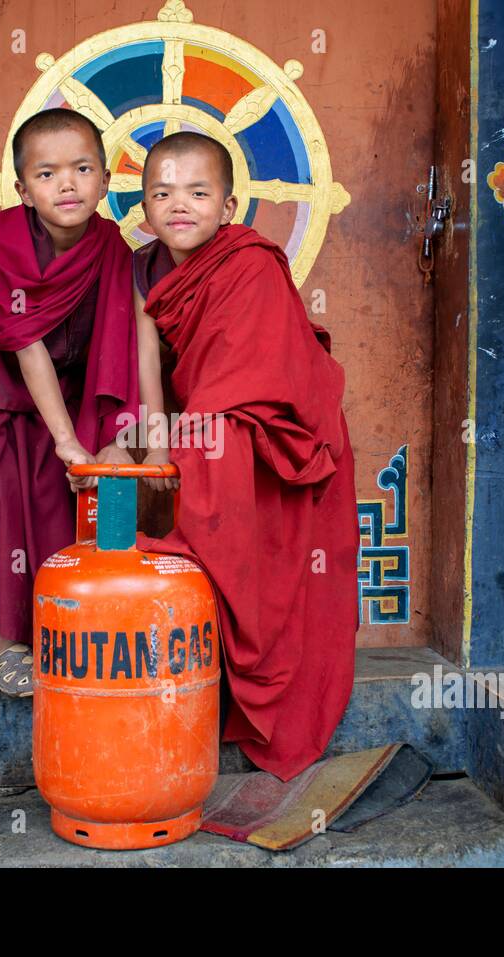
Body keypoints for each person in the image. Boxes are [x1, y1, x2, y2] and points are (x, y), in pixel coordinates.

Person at [131, 131, 359, 781]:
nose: (180, 204)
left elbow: (258, 369)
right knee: (192, 454)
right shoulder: (143, 269)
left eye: (198, 192)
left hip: (273, 425)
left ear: (229, 207)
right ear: (144, 207)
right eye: (162, 192)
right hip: (212, 420)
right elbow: (150, 359)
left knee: (216, 447)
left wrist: (194, 432)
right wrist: (155, 440)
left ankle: (250, 627)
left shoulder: (251, 262)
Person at [0, 109, 138, 697]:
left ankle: (52, 633)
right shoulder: (7, 237)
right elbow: (26, 338)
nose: (67, 185)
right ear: (22, 189)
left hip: (49, 393)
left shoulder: (110, 246)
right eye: (47, 173)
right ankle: (2, 647)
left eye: (83, 169)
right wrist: (67, 439)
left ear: (106, 181)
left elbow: (117, 340)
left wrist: (112, 430)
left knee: (43, 500)